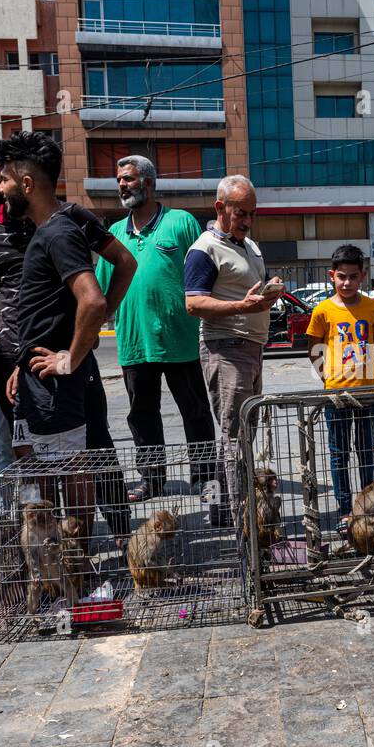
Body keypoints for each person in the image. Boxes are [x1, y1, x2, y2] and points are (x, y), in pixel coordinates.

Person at [0, 138, 135, 537]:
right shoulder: (8, 232)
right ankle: (52, 564)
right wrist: (22, 365)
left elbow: (93, 299)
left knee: (78, 464)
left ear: (26, 184)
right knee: (35, 468)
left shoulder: (64, 228)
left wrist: (72, 354)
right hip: (27, 371)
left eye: (3, 178)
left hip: (59, 376)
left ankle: (81, 564)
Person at [98, 155, 214, 502]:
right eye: (119, 179)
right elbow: (103, 292)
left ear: (149, 182)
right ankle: (151, 479)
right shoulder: (115, 234)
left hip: (181, 339)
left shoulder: (181, 222)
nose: (122, 185)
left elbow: (202, 274)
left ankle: (207, 478)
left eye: (129, 179)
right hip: (135, 343)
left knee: (195, 412)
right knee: (142, 416)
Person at [184, 175, 276, 523]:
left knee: (242, 433)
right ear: (220, 208)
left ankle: (227, 510)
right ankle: (240, 518)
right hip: (226, 348)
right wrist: (243, 307)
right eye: (241, 214)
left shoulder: (249, 245)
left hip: (251, 348)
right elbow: (194, 304)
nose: (248, 221)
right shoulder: (204, 249)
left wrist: (267, 292)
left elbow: (247, 290)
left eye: (252, 213)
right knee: (235, 436)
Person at [306, 244, 374, 529]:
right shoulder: (322, 310)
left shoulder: (373, 307)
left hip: (369, 394)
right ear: (332, 275)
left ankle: (368, 507)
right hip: (336, 396)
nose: (347, 283)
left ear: (362, 276)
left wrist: (365, 372)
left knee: (366, 451)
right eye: (341, 276)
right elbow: (314, 348)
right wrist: (328, 379)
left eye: (353, 277)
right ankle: (344, 509)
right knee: (339, 452)